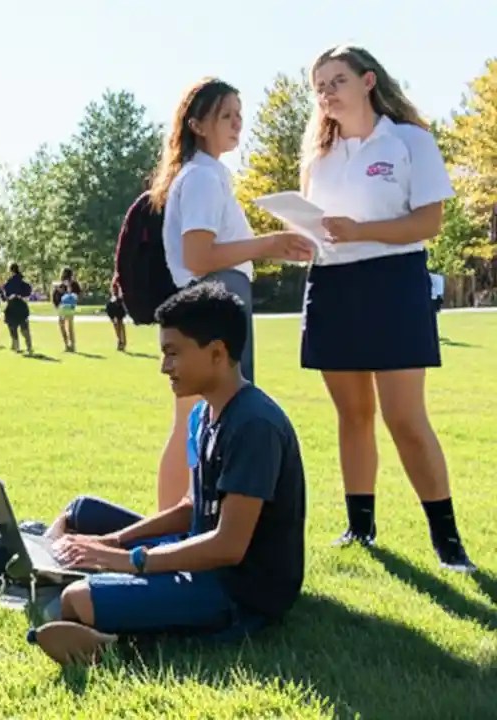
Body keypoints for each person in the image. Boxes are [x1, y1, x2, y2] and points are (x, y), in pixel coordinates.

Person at [30, 282, 306, 665]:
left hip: (238, 587)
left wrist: (131, 560)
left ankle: (121, 638)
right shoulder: (203, 414)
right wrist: (114, 540)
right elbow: (191, 506)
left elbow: (229, 546)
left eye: (173, 353)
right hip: (202, 551)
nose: (164, 367)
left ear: (217, 353)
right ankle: (113, 614)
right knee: (84, 513)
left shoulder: (254, 425)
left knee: (77, 600)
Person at [300, 45, 473, 571]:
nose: (327, 93)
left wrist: (362, 233)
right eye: (319, 86)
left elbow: (427, 224)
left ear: (368, 80)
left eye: (337, 81)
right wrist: (300, 240)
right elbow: (317, 227)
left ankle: (448, 542)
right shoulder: (317, 154)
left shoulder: (410, 141)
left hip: (393, 283)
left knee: (404, 417)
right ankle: (360, 528)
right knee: (352, 415)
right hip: (331, 284)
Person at [150, 77, 314, 510]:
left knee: (191, 421)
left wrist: (271, 248)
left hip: (208, 301)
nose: (238, 123)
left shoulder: (205, 175)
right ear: (198, 124)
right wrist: (266, 244)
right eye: (227, 115)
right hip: (211, 303)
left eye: (240, 115)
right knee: (209, 419)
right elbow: (200, 254)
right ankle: (189, 524)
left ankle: (178, 524)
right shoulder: (203, 177)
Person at [2, 263, 34, 355]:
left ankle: (16, 346)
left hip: (12, 307)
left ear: (10, 270)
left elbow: (5, 297)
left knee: (13, 327)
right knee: (25, 328)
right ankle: (29, 346)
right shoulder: (25, 284)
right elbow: (27, 295)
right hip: (22, 307)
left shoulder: (8, 284)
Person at [51, 267, 83, 353]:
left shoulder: (71, 284)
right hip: (65, 306)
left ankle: (69, 344)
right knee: (68, 325)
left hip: (67, 305)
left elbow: (77, 294)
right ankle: (70, 344)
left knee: (65, 325)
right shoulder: (62, 284)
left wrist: (66, 293)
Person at [105, 277, 128, 352]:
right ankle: (120, 340)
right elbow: (112, 290)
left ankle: (122, 342)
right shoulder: (115, 280)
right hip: (114, 302)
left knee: (120, 323)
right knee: (115, 323)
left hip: (120, 302)